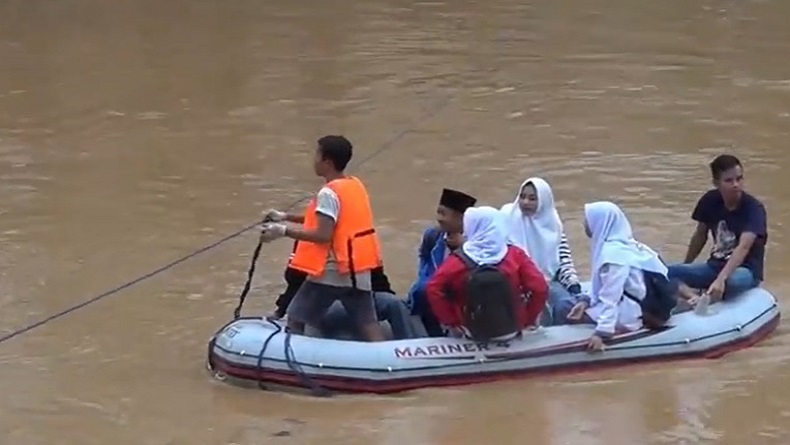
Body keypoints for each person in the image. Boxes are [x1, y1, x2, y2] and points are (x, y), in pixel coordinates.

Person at [259, 135, 385, 341]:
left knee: (295, 317)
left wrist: (282, 230)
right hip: (358, 271)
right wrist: (285, 216)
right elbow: (327, 220)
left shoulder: (329, 193)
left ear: (327, 162)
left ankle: (293, 361)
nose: (313, 159)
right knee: (369, 324)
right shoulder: (354, 185)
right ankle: (387, 363)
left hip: (331, 273)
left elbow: (322, 234)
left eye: (316, 154)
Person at [425, 206, 548, 340]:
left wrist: (453, 322)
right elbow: (540, 288)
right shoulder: (515, 255)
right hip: (513, 329)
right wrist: (528, 321)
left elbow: (433, 289)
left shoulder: (456, 261)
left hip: (471, 332)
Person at [561, 201, 670, 351]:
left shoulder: (613, 255)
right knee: (573, 302)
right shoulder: (631, 245)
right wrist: (585, 301)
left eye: (588, 219)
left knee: (562, 307)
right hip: (634, 305)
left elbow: (611, 296)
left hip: (626, 314)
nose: (585, 223)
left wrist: (602, 333)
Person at [668, 154, 767, 304]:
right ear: (716, 183)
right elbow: (700, 236)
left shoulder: (753, 208)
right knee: (664, 272)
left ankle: (711, 292)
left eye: (739, 179)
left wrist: (721, 279)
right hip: (714, 266)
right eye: (729, 180)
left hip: (746, 271)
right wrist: (686, 265)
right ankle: (693, 298)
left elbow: (743, 247)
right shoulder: (710, 200)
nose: (736, 185)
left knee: (732, 282)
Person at [271, 241, 418, 340]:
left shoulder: (360, 238)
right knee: (383, 307)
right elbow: (296, 281)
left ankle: (412, 348)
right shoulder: (358, 236)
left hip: (355, 297)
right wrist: (281, 310)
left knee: (394, 304)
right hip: (344, 298)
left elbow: (378, 278)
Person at [500, 177, 583, 326]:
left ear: (543, 202)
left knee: (564, 305)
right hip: (515, 283)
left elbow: (564, 261)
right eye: (522, 197)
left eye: (532, 199)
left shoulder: (553, 223)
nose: (525, 202)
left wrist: (575, 288)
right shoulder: (506, 218)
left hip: (547, 280)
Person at [406, 188, 477, 337]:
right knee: (421, 290)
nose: (439, 218)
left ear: (460, 218)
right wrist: (424, 278)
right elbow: (424, 256)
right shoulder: (433, 235)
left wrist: (463, 247)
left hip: (461, 293)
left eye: (444, 214)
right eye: (438, 212)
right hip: (433, 291)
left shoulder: (475, 241)